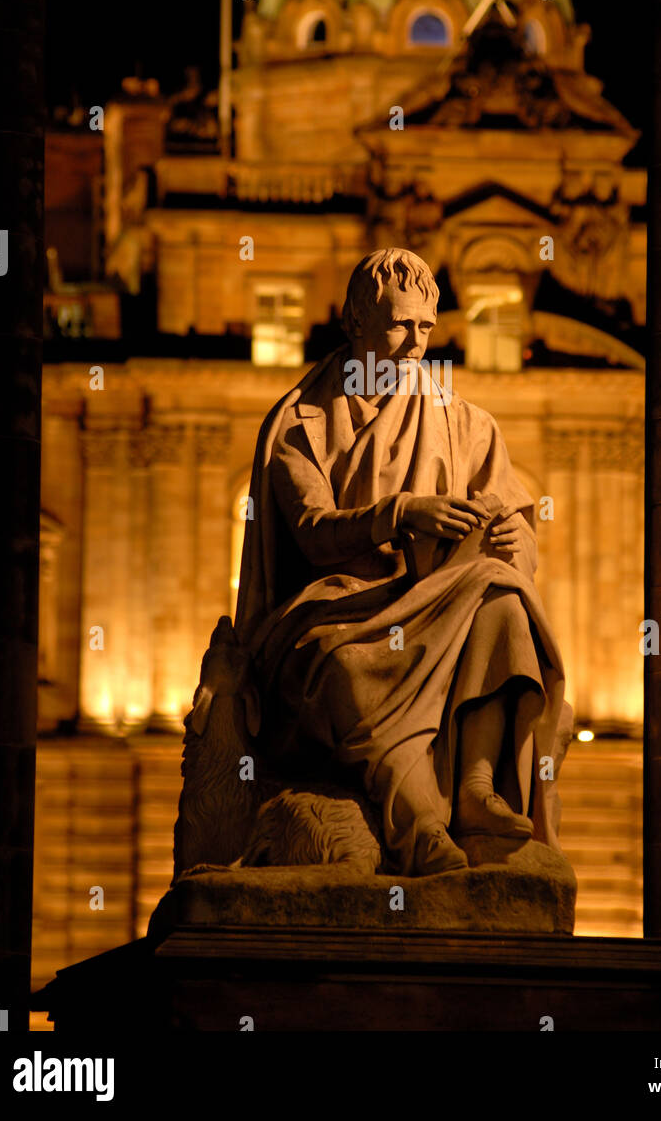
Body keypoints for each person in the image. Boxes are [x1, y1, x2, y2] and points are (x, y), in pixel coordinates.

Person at [234, 248, 565, 876]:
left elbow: (519, 526)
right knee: (350, 670)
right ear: (355, 322)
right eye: (398, 325)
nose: (414, 344)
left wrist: (516, 545)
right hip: (333, 612)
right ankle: (420, 832)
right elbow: (311, 533)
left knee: (503, 594)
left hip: (440, 598)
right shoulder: (298, 424)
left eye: (425, 328)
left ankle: (474, 785)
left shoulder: (467, 423)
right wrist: (402, 513)